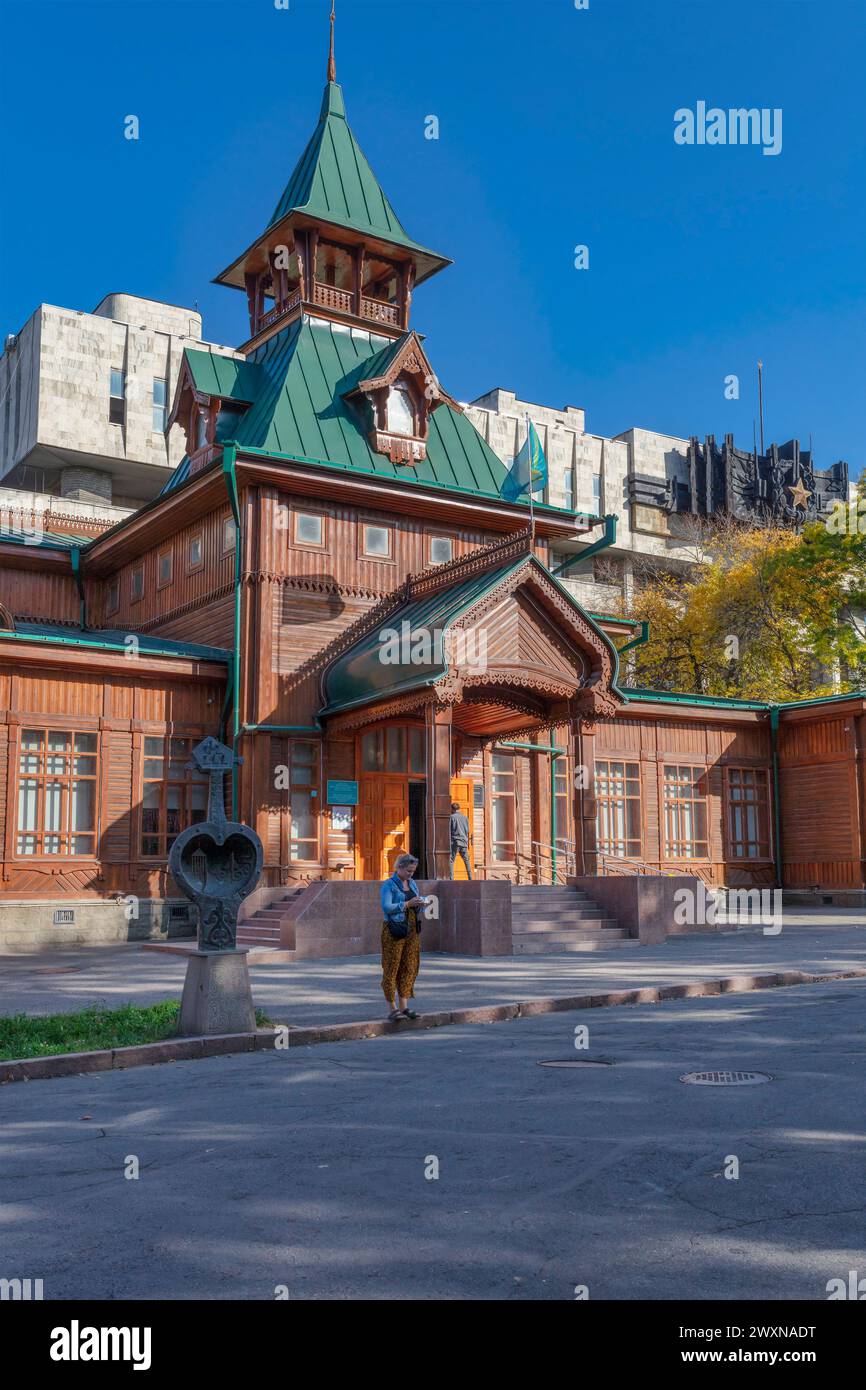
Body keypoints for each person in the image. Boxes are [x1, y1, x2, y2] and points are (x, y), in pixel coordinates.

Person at [380, 853, 425, 1021]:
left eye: (413, 871)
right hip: (394, 929)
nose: (410, 874)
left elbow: (415, 905)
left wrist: (420, 904)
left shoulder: (412, 883)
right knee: (392, 968)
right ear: (398, 867)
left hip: (412, 930)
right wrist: (407, 904)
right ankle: (392, 1009)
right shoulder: (389, 885)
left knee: (409, 967)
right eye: (408, 871)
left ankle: (404, 1007)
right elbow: (386, 907)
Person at [449, 800, 472, 879]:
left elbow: (449, 830)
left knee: (451, 860)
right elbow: (468, 830)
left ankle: (451, 879)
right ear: (459, 809)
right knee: (466, 860)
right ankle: (470, 877)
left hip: (454, 841)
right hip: (464, 841)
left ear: (452, 809)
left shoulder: (451, 817)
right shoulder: (465, 818)